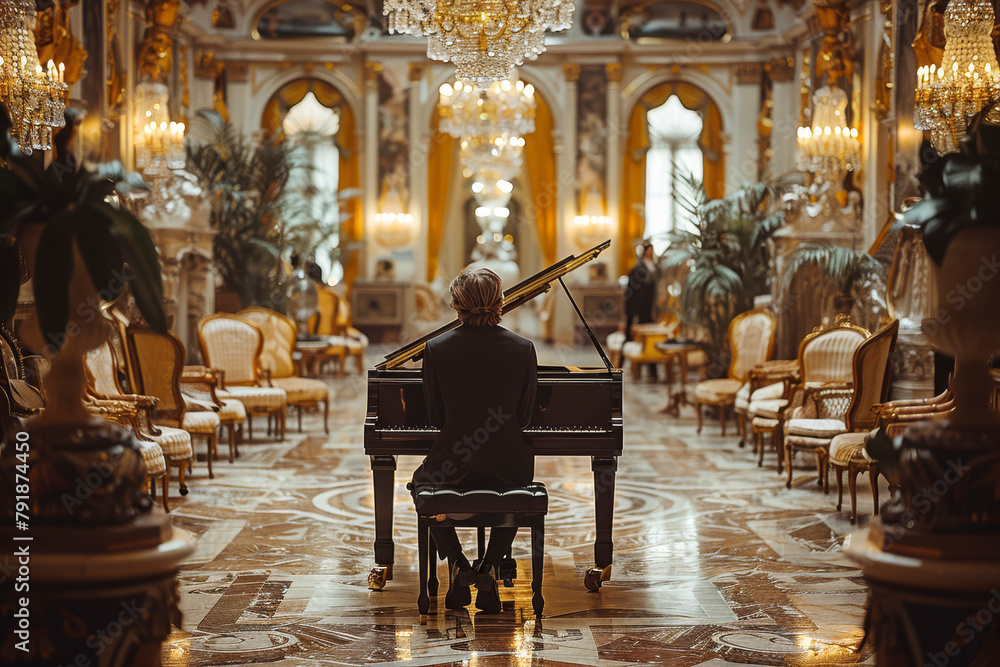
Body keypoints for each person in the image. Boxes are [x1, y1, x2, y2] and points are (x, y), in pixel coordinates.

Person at [411, 267, 538, 613]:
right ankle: (489, 566)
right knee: (516, 487)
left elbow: (436, 417)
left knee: (420, 483)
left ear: (456, 304)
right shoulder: (523, 348)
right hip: (508, 465)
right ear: (500, 302)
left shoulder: (436, 349)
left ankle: (458, 563)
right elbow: (524, 417)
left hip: (454, 463)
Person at [624, 243, 659, 377]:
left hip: (650, 309)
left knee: (651, 340)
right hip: (639, 309)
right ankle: (630, 368)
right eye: (648, 251)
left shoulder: (655, 268)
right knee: (632, 337)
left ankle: (652, 371)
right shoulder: (637, 269)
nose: (650, 253)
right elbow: (631, 293)